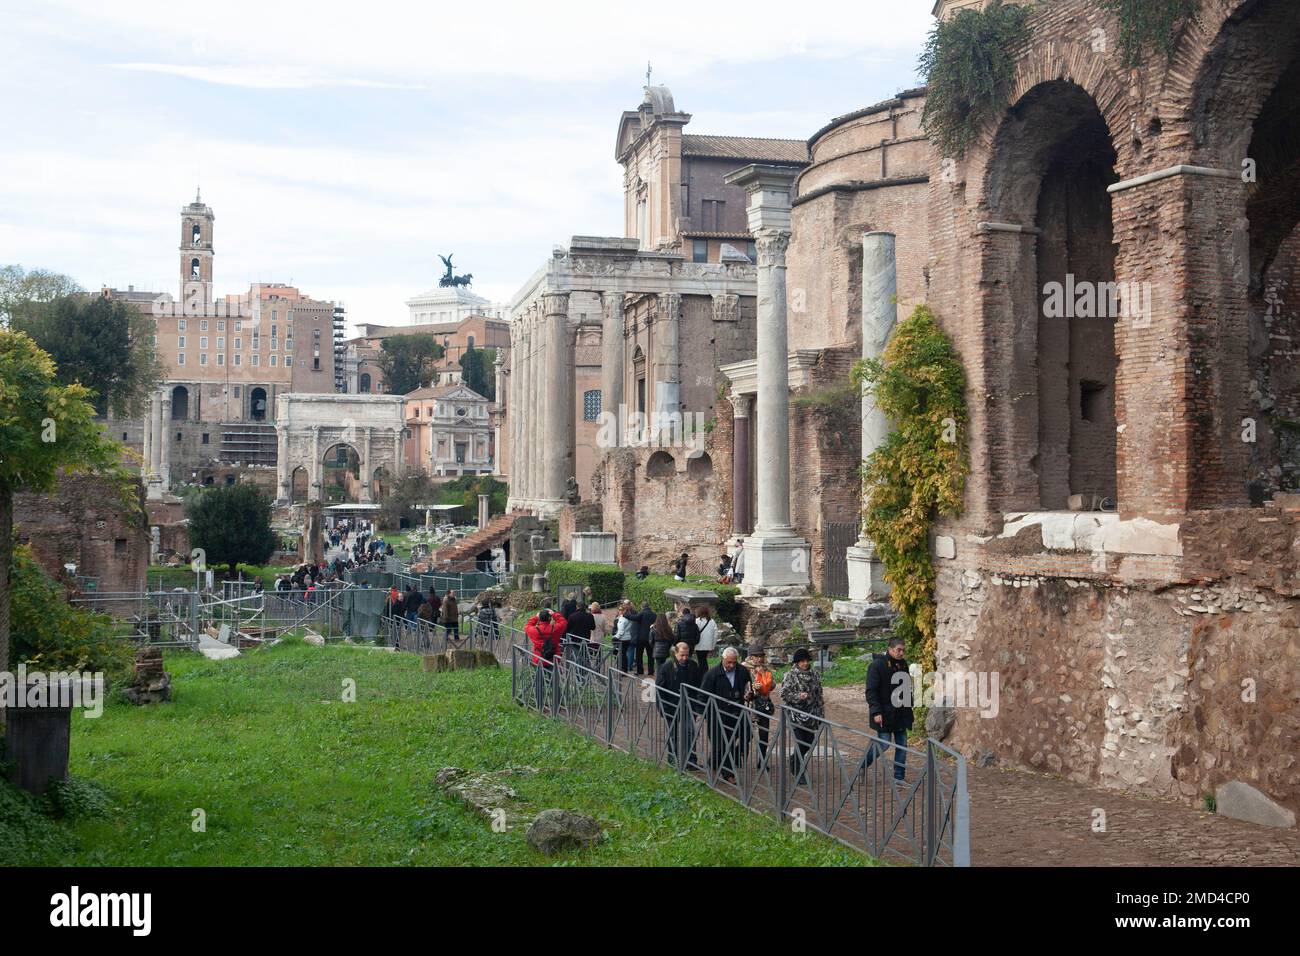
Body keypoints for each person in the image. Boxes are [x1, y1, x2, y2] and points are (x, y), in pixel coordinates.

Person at [864, 636, 914, 782]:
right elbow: (871, 691)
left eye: (903, 650)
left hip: (901, 713)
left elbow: (905, 688)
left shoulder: (903, 664)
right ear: (890, 649)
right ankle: (863, 764)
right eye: (898, 650)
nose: (901, 653)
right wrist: (876, 711)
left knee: (902, 745)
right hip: (884, 713)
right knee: (884, 744)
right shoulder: (876, 666)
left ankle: (899, 777)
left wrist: (909, 707)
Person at [700, 647, 752, 782]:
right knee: (722, 743)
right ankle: (728, 773)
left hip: (737, 712)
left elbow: (748, 687)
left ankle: (713, 763)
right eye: (729, 662)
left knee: (745, 735)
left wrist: (749, 695)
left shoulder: (742, 671)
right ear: (722, 659)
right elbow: (703, 695)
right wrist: (705, 714)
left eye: (734, 662)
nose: (732, 665)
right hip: (718, 714)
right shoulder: (712, 674)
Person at [780, 648, 825, 786]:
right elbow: (784, 694)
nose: (805, 664)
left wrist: (821, 715)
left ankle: (793, 759)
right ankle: (799, 771)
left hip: (811, 714)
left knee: (809, 742)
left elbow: (819, 695)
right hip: (795, 715)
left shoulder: (814, 675)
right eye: (802, 661)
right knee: (800, 742)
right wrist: (798, 696)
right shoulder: (790, 676)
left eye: (806, 661)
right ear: (797, 662)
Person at [655, 642, 702, 769]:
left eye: (687, 655)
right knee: (673, 734)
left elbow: (698, 686)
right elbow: (659, 689)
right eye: (682, 655)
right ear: (675, 653)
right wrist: (663, 708)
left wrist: (697, 707)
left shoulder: (693, 665)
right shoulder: (666, 667)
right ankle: (673, 760)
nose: (685, 658)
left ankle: (691, 761)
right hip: (671, 706)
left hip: (688, 706)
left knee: (690, 732)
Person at [743, 645, 776, 761]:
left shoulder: (765, 669)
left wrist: (763, 678)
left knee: (764, 734)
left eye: (761, 656)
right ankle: (738, 752)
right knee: (747, 734)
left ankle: (762, 761)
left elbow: (772, 685)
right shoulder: (743, 668)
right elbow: (739, 684)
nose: (760, 658)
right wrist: (752, 687)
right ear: (751, 657)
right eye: (757, 656)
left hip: (763, 704)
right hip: (748, 705)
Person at [565, 600, 597, 667]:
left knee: (576, 656)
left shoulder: (572, 616)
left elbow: (567, 629)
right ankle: (584, 669)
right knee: (584, 655)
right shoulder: (590, 616)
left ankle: (578, 669)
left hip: (575, 640)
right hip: (586, 638)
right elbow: (593, 627)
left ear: (577, 607)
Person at [634, 600, 657, 676]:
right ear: (648, 606)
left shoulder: (641, 613)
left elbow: (633, 617)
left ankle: (640, 671)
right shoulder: (654, 614)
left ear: (642, 607)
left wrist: (625, 614)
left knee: (639, 655)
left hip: (640, 638)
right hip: (650, 637)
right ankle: (651, 671)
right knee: (650, 655)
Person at [614, 601, 637, 672]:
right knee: (624, 654)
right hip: (628, 637)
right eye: (619, 609)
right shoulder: (628, 617)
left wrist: (615, 637)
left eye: (621, 610)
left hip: (623, 638)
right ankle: (625, 668)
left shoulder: (623, 618)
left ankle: (623, 669)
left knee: (622, 655)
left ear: (624, 610)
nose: (619, 611)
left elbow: (621, 631)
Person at [694, 606, 717, 673]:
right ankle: (705, 673)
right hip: (708, 645)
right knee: (703, 659)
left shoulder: (697, 621)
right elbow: (715, 635)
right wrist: (713, 646)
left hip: (699, 644)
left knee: (701, 660)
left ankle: (703, 673)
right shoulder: (712, 622)